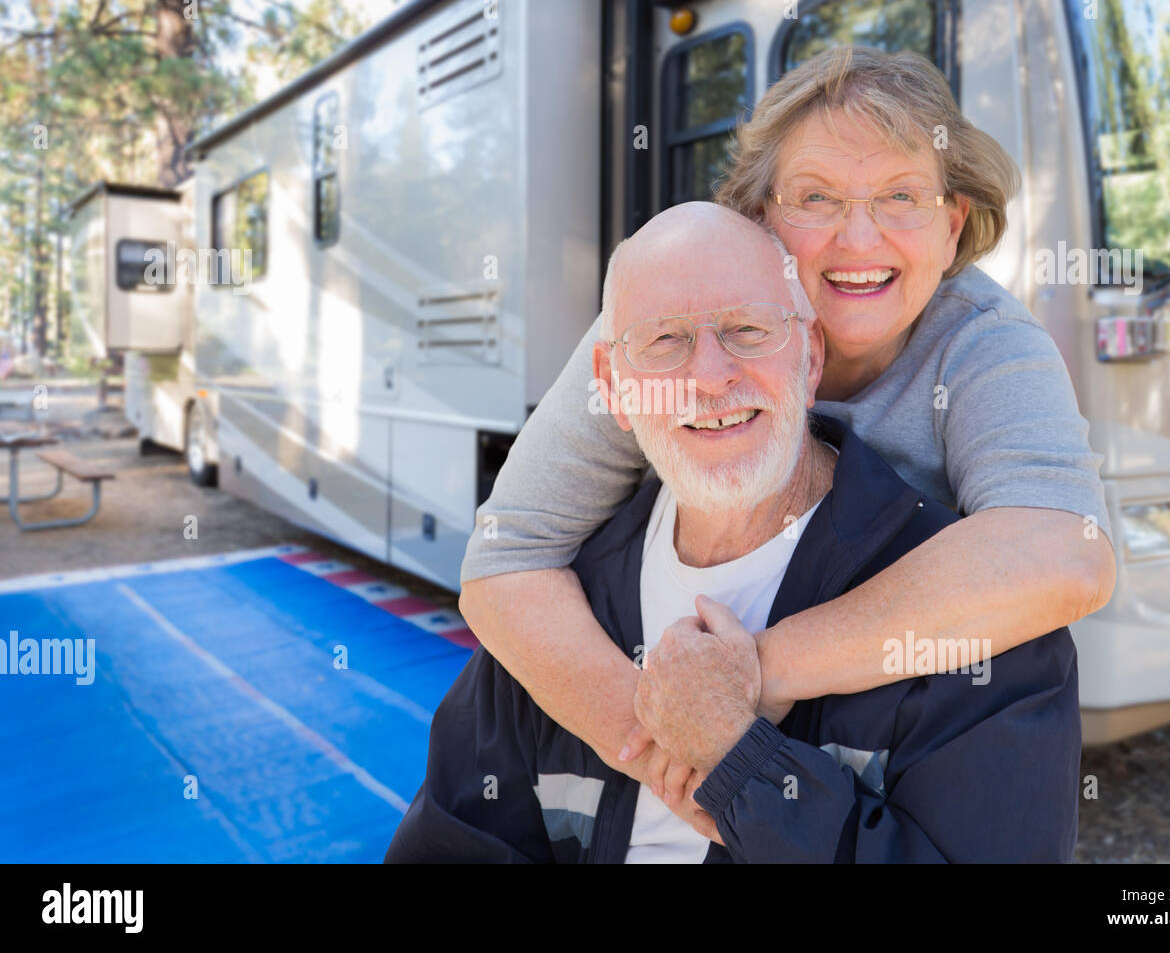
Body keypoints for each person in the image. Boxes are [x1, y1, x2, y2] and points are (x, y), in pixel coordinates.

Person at [459, 45, 1114, 831]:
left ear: (952, 227)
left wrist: (753, 671)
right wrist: (663, 747)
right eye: (817, 197)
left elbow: (1066, 553)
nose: (859, 240)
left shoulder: (984, 344)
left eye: (901, 196)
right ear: (760, 219)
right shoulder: (661, 330)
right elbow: (507, 554)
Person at [384, 205, 1080, 863]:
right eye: (664, 342)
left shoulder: (976, 616)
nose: (709, 377)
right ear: (614, 387)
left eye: (749, 330)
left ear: (810, 359)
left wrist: (739, 762)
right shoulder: (558, 614)